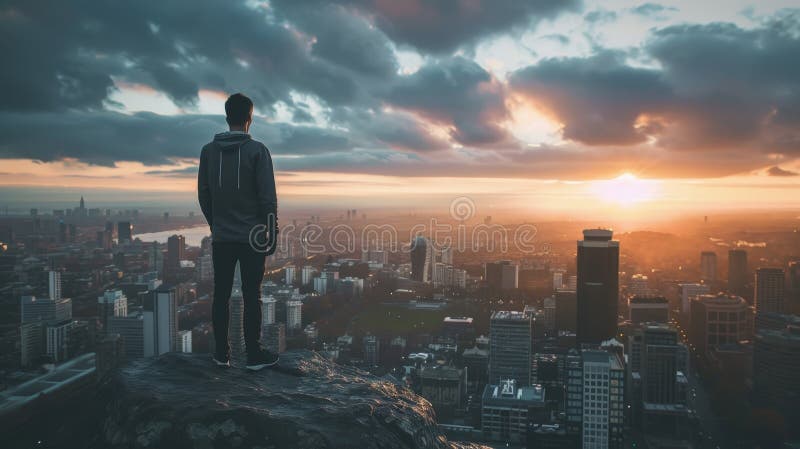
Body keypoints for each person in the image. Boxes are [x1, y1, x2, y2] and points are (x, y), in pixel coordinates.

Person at [198, 93, 279, 370]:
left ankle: (222, 354)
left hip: (222, 237)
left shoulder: (208, 152)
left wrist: (216, 223)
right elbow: (267, 197)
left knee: (220, 293)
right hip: (253, 237)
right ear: (250, 118)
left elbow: (204, 194)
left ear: (226, 117)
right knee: (251, 294)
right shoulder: (258, 151)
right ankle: (253, 355)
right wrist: (271, 231)